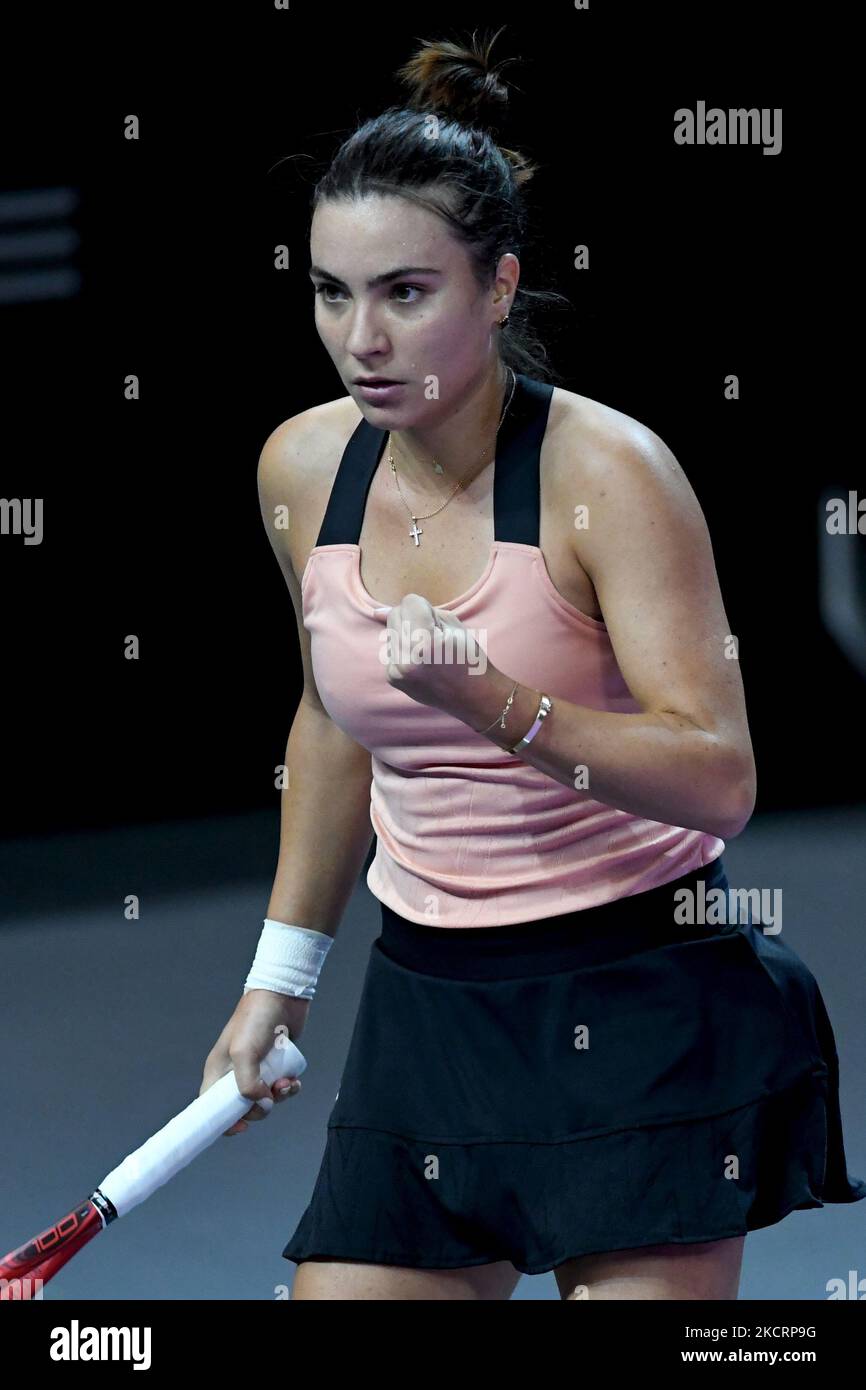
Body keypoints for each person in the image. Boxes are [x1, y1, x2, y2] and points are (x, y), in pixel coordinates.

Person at [198, 30, 866, 1300]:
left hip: (645, 1001)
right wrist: (276, 981)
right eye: (331, 294)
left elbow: (716, 777)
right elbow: (333, 725)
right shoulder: (299, 465)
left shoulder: (609, 477)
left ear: (497, 288)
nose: (361, 337)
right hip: (429, 1012)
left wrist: (497, 703)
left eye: (406, 292)